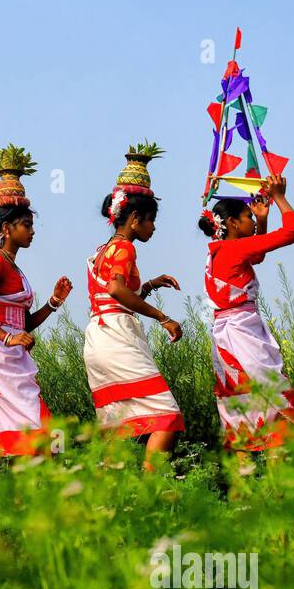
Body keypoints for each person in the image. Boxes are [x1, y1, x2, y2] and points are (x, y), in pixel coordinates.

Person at [0, 144, 71, 463]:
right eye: (27, 225)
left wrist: (52, 304)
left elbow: (20, 323)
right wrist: (8, 337)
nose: (32, 231)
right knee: (44, 435)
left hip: (14, 359)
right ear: (8, 228)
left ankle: (12, 503)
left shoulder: (14, 267)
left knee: (36, 437)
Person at [83, 145, 185, 467]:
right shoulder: (126, 248)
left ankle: (109, 501)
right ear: (136, 218)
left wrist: (150, 285)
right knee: (167, 416)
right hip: (117, 337)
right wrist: (163, 317)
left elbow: (111, 288)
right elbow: (116, 289)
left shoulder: (104, 248)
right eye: (151, 221)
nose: (153, 228)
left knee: (115, 428)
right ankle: (150, 492)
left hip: (97, 339)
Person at [199, 173, 294, 453]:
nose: (252, 220)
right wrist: (280, 197)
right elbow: (293, 232)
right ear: (233, 223)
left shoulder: (220, 252)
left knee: (241, 407)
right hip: (243, 336)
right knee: (277, 400)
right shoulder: (235, 249)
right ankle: (278, 486)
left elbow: (255, 254)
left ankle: (242, 490)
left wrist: (263, 220)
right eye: (248, 216)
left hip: (228, 339)